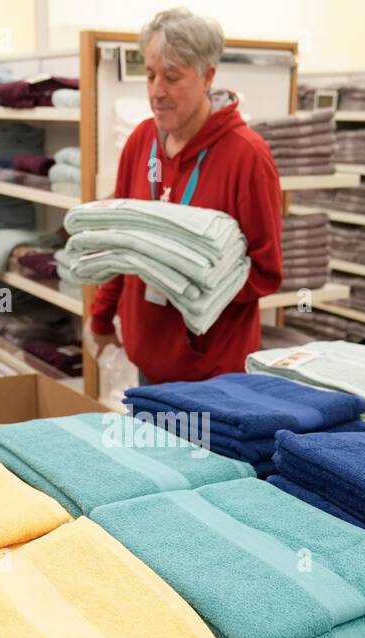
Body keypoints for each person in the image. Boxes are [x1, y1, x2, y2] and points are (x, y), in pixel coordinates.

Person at [89, 7, 282, 384]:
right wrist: (101, 315)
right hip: (147, 361)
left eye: (172, 77)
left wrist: (191, 281)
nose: (156, 91)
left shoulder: (247, 156)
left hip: (213, 376)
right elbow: (121, 241)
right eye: (149, 75)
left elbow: (266, 271)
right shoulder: (141, 141)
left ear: (208, 75)